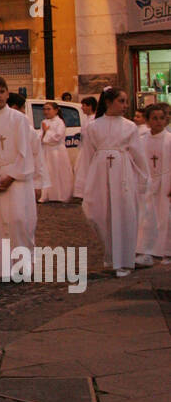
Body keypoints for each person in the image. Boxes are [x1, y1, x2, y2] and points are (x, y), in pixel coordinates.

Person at [75, 86, 149, 277]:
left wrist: (143, 179)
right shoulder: (93, 126)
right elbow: (87, 156)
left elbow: (138, 154)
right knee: (98, 214)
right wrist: (82, 185)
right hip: (99, 173)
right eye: (121, 101)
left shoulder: (130, 126)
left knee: (124, 214)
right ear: (108, 102)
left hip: (123, 173)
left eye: (126, 101)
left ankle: (124, 259)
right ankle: (111, 255)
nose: (125, 105)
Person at [0, 77, 36, 275]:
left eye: (1, 91)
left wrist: (11, 176)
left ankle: (22, 267)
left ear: (7, 93)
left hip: (16, 178)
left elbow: (25, 151)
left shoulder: (19, 119)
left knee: (19, 220)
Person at [136, 103, 171, 265]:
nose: (158, 122)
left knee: (166, 217)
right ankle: (146, 250)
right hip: (149, 182)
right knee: (147, 217)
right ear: (148, 121)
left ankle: (167, 251)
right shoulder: (142, 140)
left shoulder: (169, 140)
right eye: (154, 118)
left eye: (161, 118)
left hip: (166, 182)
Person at [39, 102, 74, 203]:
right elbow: (40, 137)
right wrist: (44, 133)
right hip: (47, 151)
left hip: (57, 151)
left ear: (56, 110)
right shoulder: (44, 122)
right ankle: (46, 194)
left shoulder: (60, 122)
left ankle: (61, 195)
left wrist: (46, 133)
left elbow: (57, 137)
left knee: (58, 172)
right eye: (44, 109)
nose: (46, 112)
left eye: (48, 109)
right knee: (47, 172)